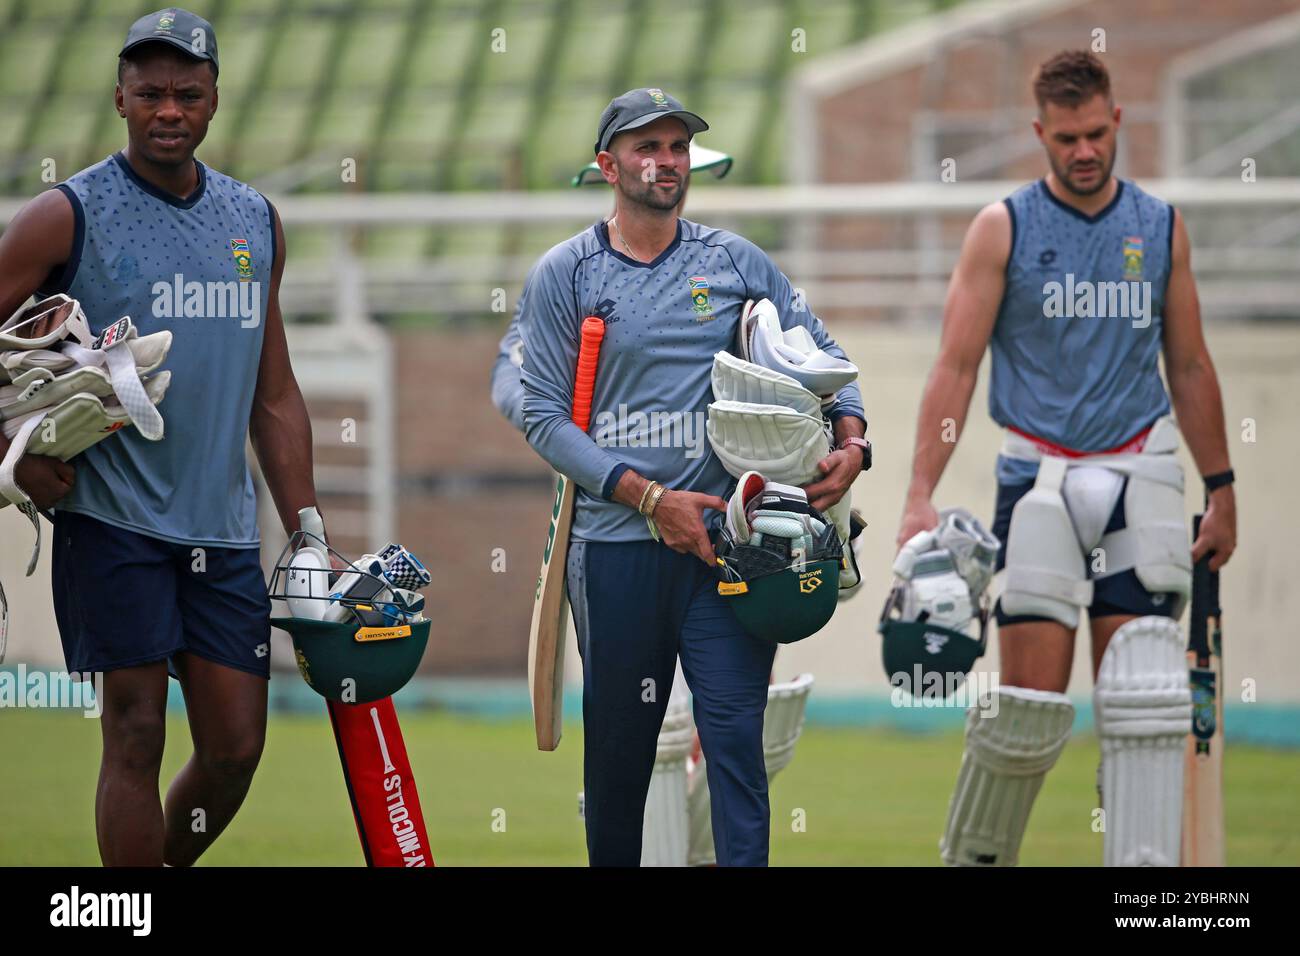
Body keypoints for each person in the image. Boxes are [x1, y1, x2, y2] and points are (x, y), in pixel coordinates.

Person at [896, 51, 1236, 866]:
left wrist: (1223, 487)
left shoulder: (1160, 227)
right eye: (1066, 139)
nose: (1084, 152)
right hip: (1038, 476)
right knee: (1025, 716)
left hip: (1142, 476)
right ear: (1040, 134)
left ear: (1117, 123)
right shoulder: (1002, 227)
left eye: (1096, 134)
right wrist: (917, 492)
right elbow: (955, 365)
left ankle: (1149, 893)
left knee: (1141, 713)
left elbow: (1188, 366)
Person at [0, 9, 319, 866]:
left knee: (233, 750)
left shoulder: (255, 220)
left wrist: (309, 531)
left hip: (221, 529)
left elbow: (276, 390)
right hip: (113, 522)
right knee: (135, 732)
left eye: (186, 92)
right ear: (120, 100)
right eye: (150, 94)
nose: (168, 109)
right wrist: (13, 460)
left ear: (214, 100)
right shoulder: (64, 216)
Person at [519, 88, 867, 866]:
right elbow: (543, 417)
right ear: (608, 166)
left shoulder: (737, 262)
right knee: (619, 761)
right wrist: (649, 498)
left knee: (737, 744)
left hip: (728, 548)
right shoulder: (565, 274)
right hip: (614, 551)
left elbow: (824, 359)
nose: (664, 161)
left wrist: (853, 439)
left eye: (676, 147)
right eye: (646, 147)